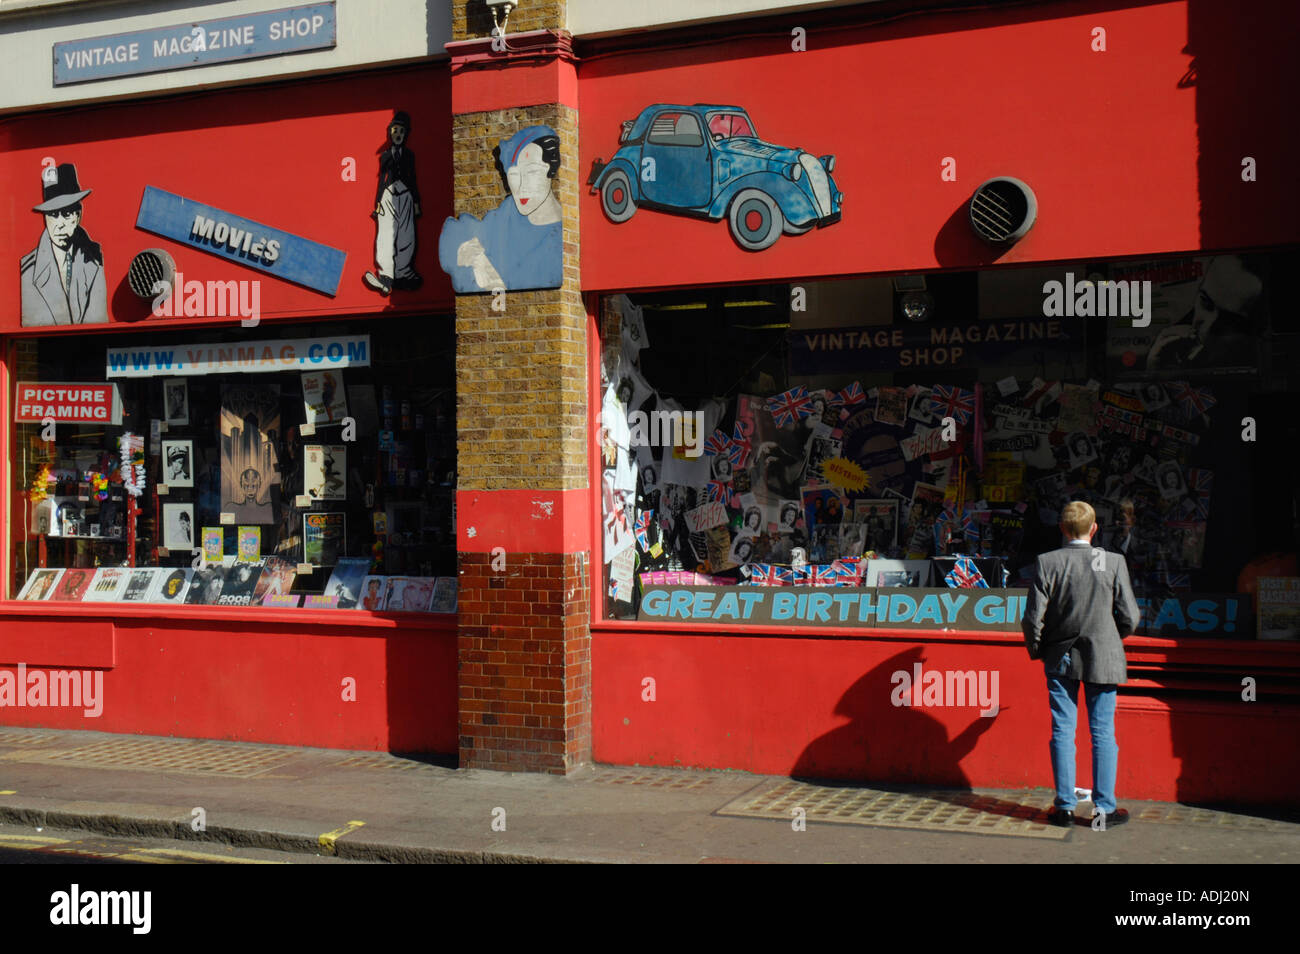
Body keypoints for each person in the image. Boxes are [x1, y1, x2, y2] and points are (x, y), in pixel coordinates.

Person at [1022, 501, 1141, 830]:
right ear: (1094, 529)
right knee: (1103, 733)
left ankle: (1064, 808)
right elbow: (1130, 616)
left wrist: (1038, 650)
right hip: (1104, 656)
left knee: (1063, 729)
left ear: (1062, 529)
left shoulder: (1049, 562)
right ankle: (1104, 809)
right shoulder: (1112, 561)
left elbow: (1033, 618)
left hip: (1060, 656)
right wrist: (1112, 637)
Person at [439, 125, 563, 292]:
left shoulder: (563, 234)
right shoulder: (501, 219)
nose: (521, 185)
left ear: (551, 169)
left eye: (532, 172)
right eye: (513, 175)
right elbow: (456, 234)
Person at [21, 163, 108, 327]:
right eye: (53, 214)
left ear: (78, 215)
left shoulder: (96, 261)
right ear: (45, 218)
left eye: (66, 214)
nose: (59, 224)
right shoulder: (28, 270)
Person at [364, 111, 423, 295]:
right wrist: (378, 202)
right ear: (390, 132)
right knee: (385, 235)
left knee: (407, 234)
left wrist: (416, 201)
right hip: (388, 196)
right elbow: (382, 178)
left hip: (405, 195)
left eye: (401, 131)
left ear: (406, 134)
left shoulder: (409, 155)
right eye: (395, 131)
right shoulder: (385, 156)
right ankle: (385, 275)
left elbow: (413, 178)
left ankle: (403, 272)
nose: (397, 134)